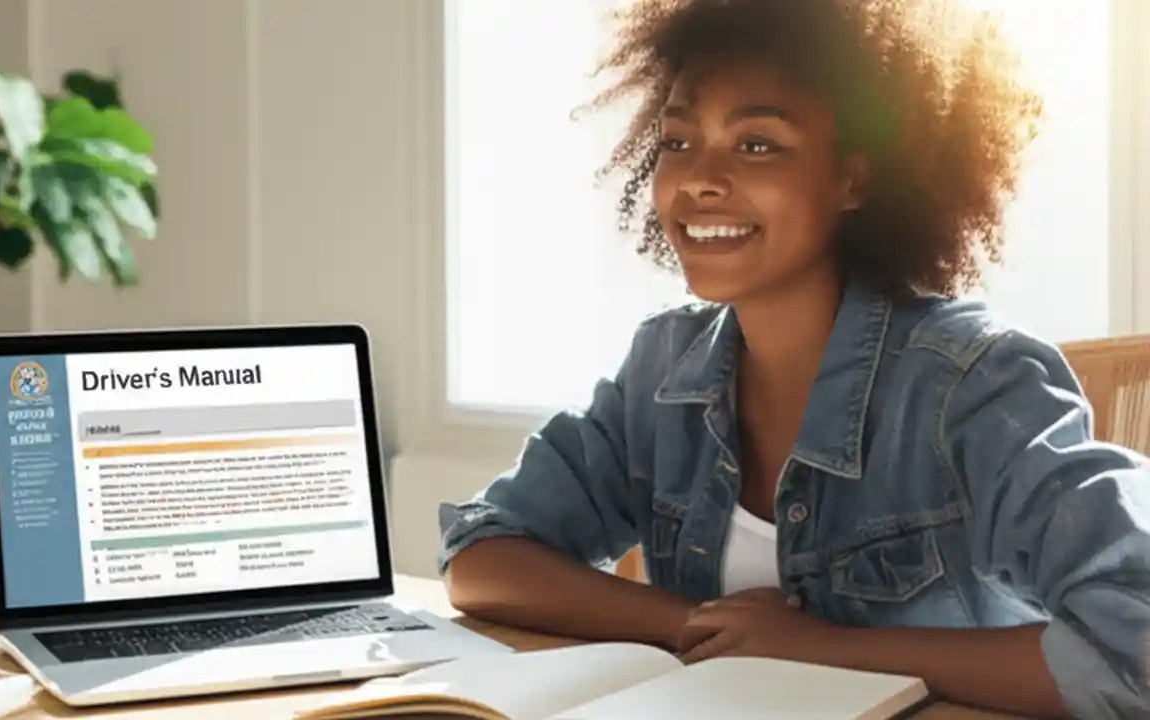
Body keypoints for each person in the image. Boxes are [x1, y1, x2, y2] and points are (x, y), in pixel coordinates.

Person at [436, 1, 1150, 718]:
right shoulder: (662, 369)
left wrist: (822, 646)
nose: (699, 179)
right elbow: (481, 554)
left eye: (757, 146)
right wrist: (693, 627)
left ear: (856, 179)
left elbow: (1136, 648)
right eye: (678, 141)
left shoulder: (972, 384)